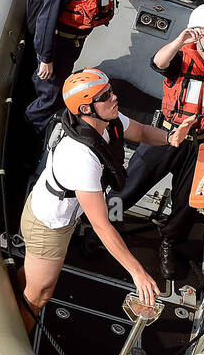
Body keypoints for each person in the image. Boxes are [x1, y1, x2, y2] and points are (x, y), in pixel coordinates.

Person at [18, 69, 193, 332]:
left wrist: (170, 138)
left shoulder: (107, 121)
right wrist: (137, 272)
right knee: (39, 295)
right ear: (87, 108)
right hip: (48, 227)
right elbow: (102, 225)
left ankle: (15, 293)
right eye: (106, 95)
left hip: (60, 218)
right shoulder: (81, 157)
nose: (114, 97)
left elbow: (143, 132)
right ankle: (19, 333)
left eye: (110, 91)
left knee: (33, 277)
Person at [118, 3, 204, 280]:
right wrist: (180, 40)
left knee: (186, 204)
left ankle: (170, 243)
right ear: (196, 34)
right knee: (129, 185)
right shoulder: (180, 56)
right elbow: (158, 63)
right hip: (166, 135)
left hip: (199, 143)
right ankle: (103, 226)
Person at [25, 0, 157, 134]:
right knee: (49, 96)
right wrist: (46, 58)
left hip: (75, 44)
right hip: (59, 44)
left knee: (55, 92)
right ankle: (29, 136)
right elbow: (46, 18)